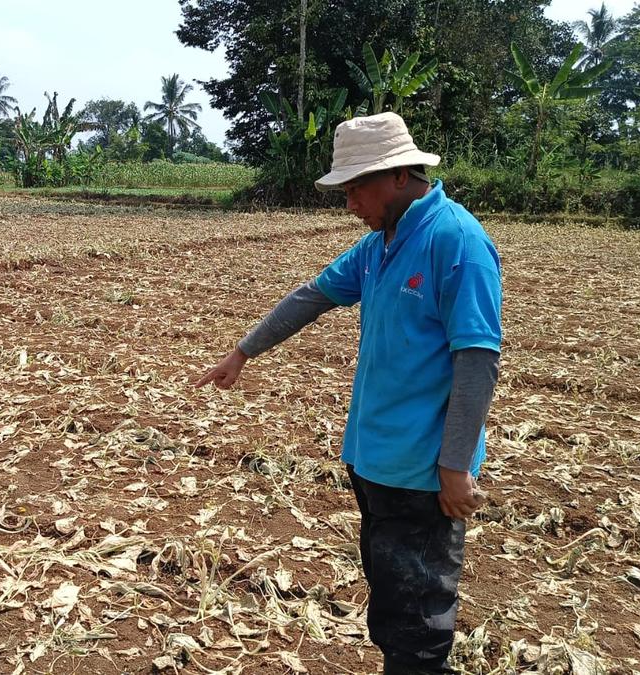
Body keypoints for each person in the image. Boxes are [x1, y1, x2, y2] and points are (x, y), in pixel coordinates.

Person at [195, 112, 502, 674]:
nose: (350, 202)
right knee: (393, 605)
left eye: (357, 187)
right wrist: (243, 352)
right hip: (374, 461)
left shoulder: (455, 241)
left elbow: (477, 361)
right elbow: (311, 296)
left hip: (423, 472)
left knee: (419, 623)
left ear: (401, 176)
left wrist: (456, 466)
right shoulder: (380, 245)